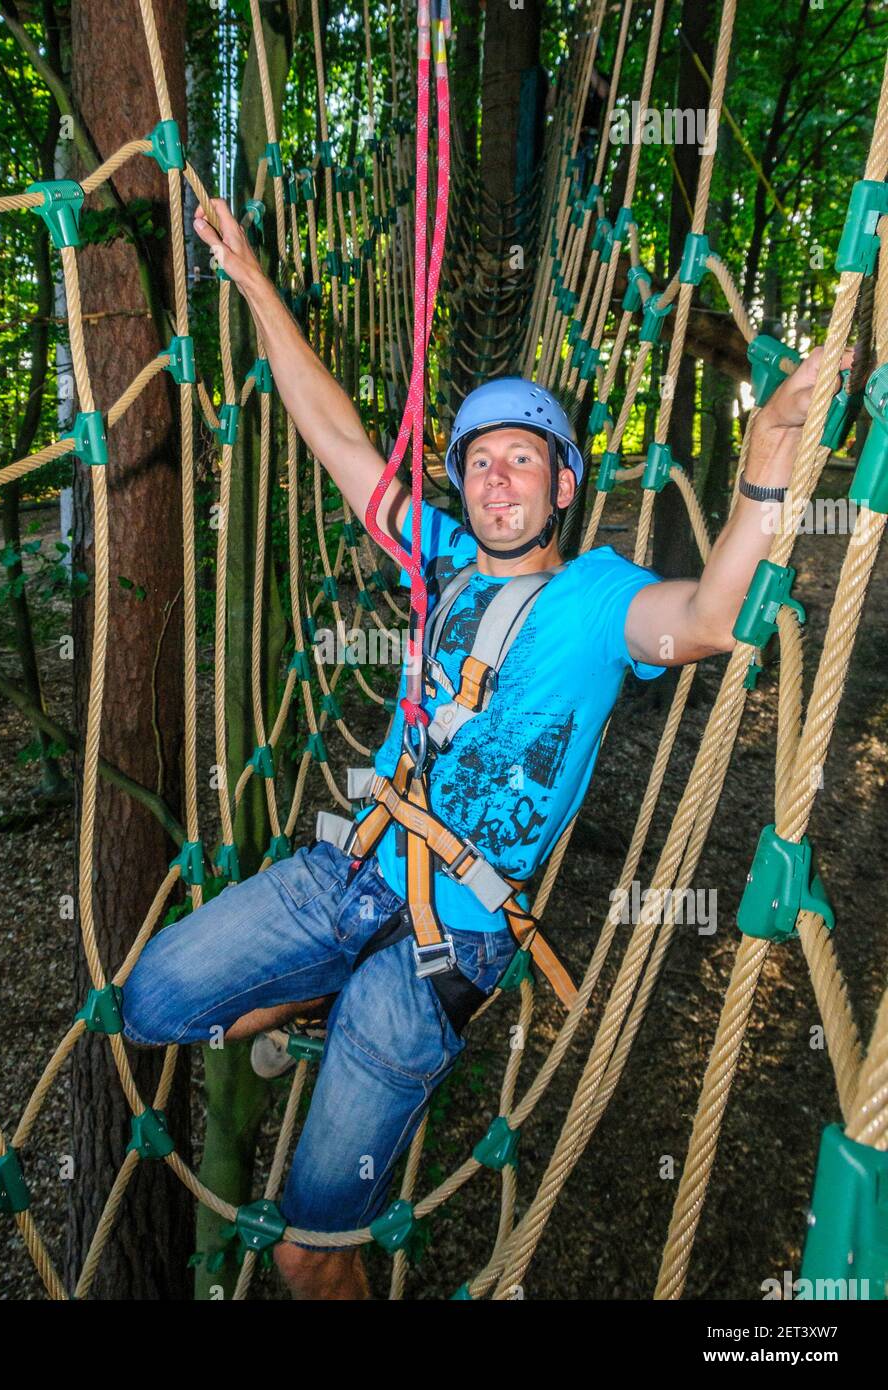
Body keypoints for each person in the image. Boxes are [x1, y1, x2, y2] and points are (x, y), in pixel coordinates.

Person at [120, 196, 846, 1300]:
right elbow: (338, 441)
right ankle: (318, 983)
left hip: (443, 948)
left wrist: (760, 465)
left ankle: (344, 999)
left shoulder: (598, 598)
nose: (497, 478)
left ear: (564, 485)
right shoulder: (440, 558)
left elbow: (702, 617)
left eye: (523, 460)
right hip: (351, 869)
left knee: (309, 1250)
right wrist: (256, 284)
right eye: (479, 461)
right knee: (154, 1004)